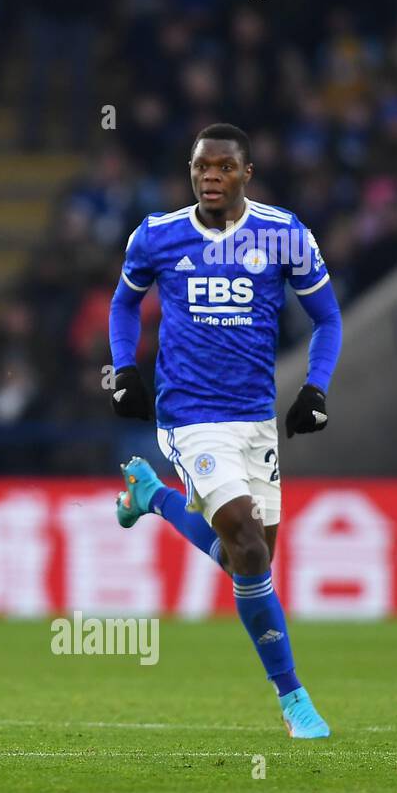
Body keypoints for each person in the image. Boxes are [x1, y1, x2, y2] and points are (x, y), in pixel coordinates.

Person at [108, 123, 343, 738]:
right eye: (200, 168)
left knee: (251, 559)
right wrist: (125, 369)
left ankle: (151, 498)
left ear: (246, 174)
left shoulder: (284, 235)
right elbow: (123, 303)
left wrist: (315, 387)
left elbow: (328, 318)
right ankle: (294, 700)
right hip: (189, 416)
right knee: (243, 535)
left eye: (223, 168)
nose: (210, 177)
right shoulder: (157, 236)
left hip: (254, 418)